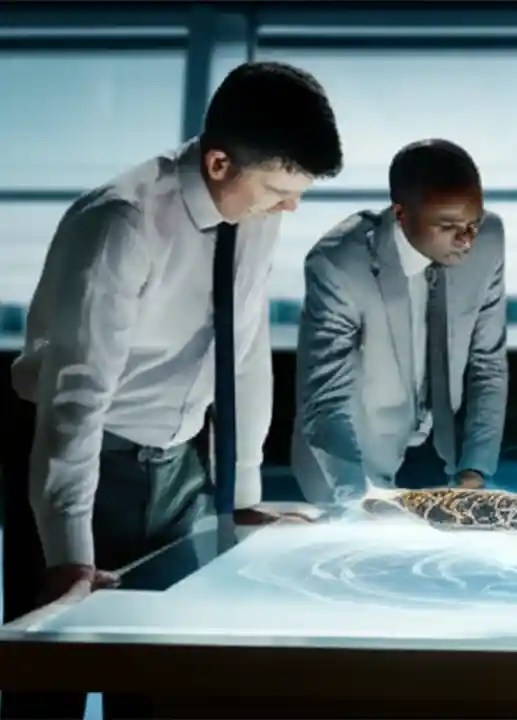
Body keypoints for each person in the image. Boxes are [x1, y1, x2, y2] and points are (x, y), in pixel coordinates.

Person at [2, 61, 343, 718]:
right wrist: (68, 552)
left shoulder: (255, 213)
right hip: (84, 463)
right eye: (280, 189)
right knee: (51, 683)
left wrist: (242, 496)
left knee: (161, 679)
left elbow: (245, 349)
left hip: (180, 468)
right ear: (218, 163)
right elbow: (77, 396)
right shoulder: (120, 222)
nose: (290, 206)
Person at [292, 139, 507, 504]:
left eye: (474, 222)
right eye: (448, 225)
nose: (466, 240)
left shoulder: (488, 241)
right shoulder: (340, 265)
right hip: (349, 461)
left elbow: (488, 361)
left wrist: (475, 468)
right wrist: (357, 499)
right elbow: (326, 401)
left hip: (436, 454)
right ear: (400, 214)